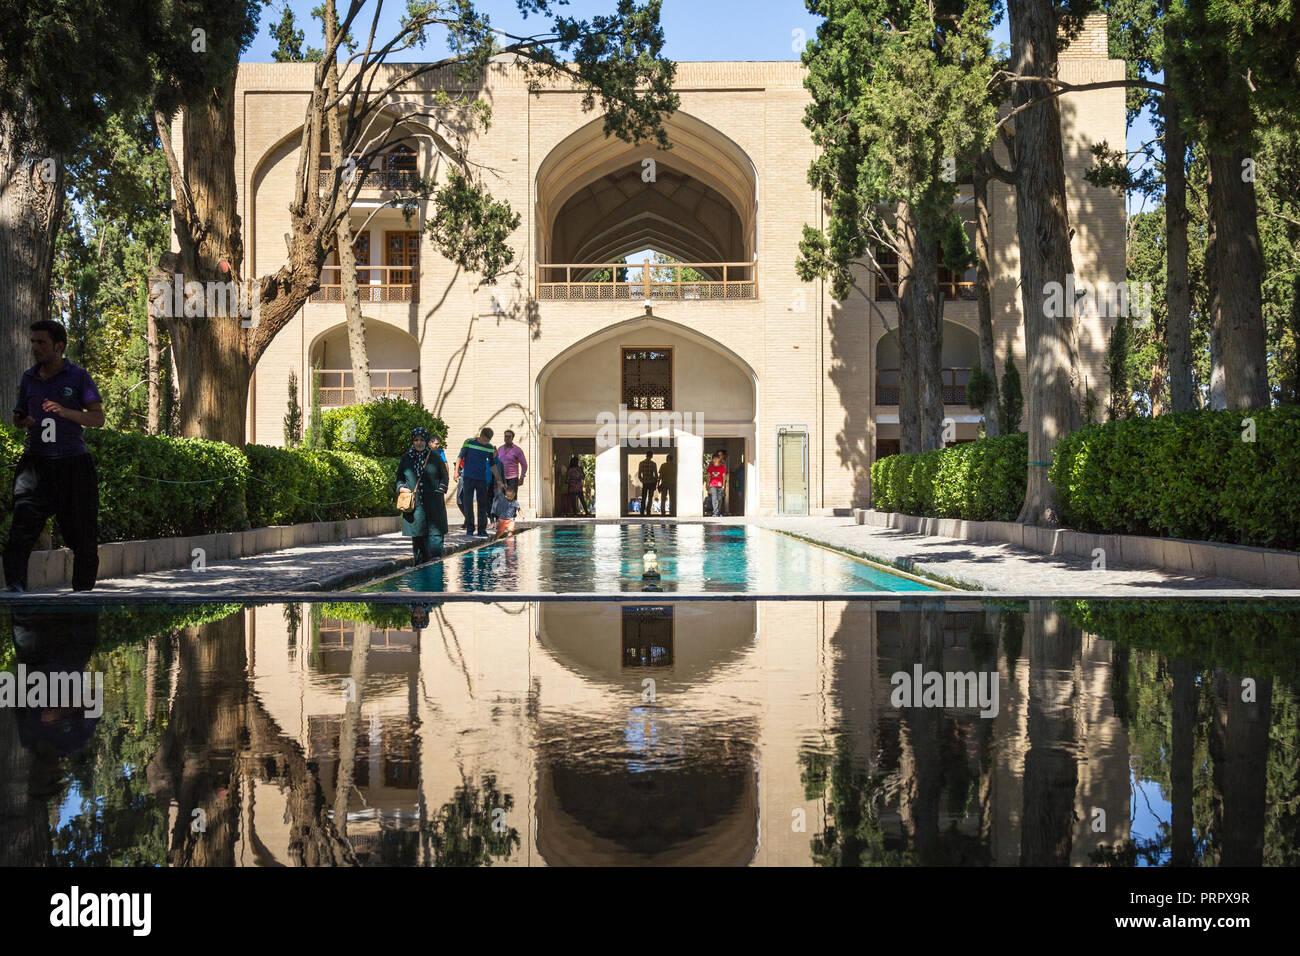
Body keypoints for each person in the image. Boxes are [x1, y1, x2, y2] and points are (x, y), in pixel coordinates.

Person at [4, 320, 105, 592]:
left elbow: (98, 418)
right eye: (33, 342)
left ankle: (83, 595)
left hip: (72, 464)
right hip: (35, 464)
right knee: (20, 532)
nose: (35, 347)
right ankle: (15, 590)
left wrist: (65, 412)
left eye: (42, 343)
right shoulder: (28, 378)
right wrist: (22, 420)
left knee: (82, 535)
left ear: (59, 346)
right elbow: (19, 415)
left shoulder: (78, 377)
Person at [396, 426, 449, 563]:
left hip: (433, 502)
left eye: (422, 440)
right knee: (418, 535)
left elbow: (444, 476)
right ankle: (420, 567)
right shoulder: (406, 458)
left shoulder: (435, 457)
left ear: (426, 441)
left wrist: (440, 490)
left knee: (435, 534)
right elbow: (399, 478)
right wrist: (401, 488)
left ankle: (436, 565)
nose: (419, 443)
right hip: (415, 504)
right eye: (416, 440)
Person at [456, 427, 504, 536]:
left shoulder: (489, 447)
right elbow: (459, 457)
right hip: (468, 477)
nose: (486, 442)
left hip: (481, 479)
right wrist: (456, 472)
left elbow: (493, 465)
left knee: (482, 505)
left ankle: (482, 529)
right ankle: (470, 528)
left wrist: (499, 480)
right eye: (485, 440)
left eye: (488, 440)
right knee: (468, 504)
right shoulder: (469, 442)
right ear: (481, 435)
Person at [496, 429, 527, 498]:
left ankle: (512, 509)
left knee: (512, 499)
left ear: (512, 438)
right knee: (501, 499)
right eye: (505, 436)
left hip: (512, 479)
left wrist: (522, 477)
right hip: (501, 479)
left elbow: (524, 464)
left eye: (509, 437)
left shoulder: (517, 450)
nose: (507, 438)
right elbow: (497, 463)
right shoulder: (500, 449)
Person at [637, 451, 658, 516]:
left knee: (643, 497)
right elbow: (656, 474)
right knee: (650, 497)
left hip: (645, 483)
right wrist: (656, 481)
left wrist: (642, 480)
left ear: (646, 455)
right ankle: (648, 511)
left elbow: (639, 474)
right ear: (651, 456)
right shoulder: (653, 464)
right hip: (651, 483)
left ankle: (642, 512)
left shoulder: (641, 463)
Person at [706, 451, 727, 517]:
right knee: (714, 498)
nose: (715, 460)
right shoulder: (710, 467)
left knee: (719, 499)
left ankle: (718, 511)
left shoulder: (722, 467)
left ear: (719, 459)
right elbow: (708, 476)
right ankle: (715, 513)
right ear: (712, 459)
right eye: (714, 458)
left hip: (720, 485)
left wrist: (723, 485)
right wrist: (707, 485)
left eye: (716, 458)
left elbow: (724, 477)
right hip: (713, 485)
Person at [657, 452, 676, 517]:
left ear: (667, 459)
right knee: (672, 498)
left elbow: (660, 476)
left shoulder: (663, 465)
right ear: (672, 459)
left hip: (665, 483)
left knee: (663, 498)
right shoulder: (675, 466)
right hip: (672, 484)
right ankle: (672, 512)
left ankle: (663, 512)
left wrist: (658, 484)